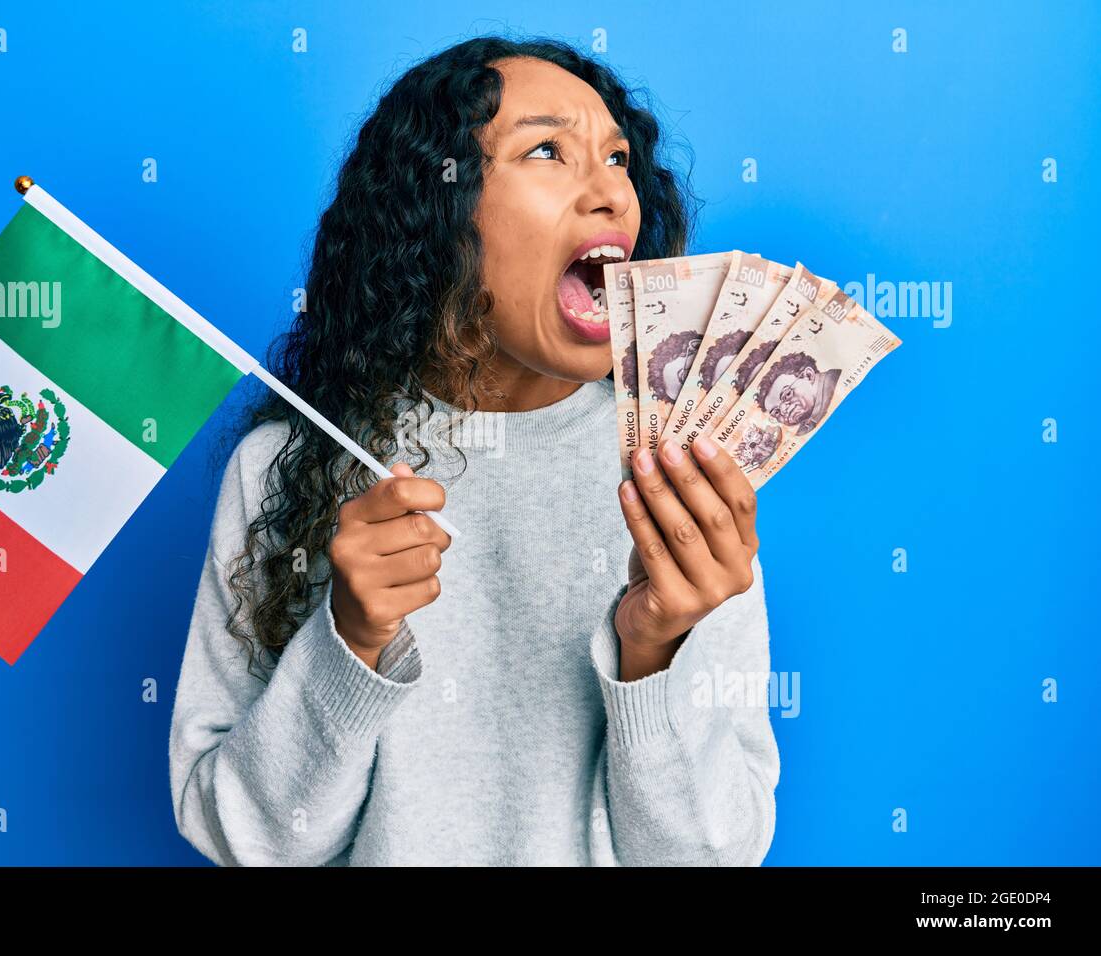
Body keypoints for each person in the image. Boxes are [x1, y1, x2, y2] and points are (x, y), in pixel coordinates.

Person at [168, 35, 779, 866]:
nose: (611, 194)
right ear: (440, 216)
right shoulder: (290, 468)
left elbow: (711, 856)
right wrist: (350, 643)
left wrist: (655, 651)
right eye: (547, 151)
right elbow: (248, 839)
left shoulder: (683, 470)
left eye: (617, 158)